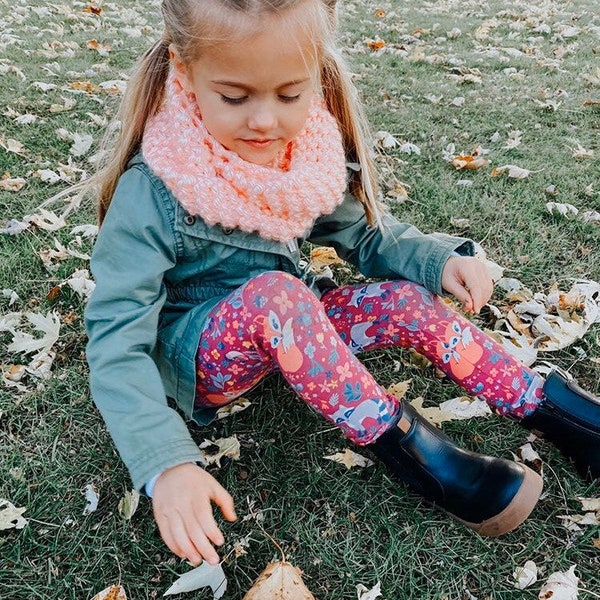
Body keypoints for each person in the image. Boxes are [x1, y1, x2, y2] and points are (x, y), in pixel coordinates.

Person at [85, 0, 600, 568]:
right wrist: (166, 463)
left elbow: (367, 236)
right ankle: (420, 458)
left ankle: (555, 412)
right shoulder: (155, 188)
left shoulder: (301, 159)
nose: (265, 121)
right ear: (183, 70)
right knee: (280, 297)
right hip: (200, 358)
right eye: (234, 97)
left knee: (402, 301)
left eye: (290, 95)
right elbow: (116, 340)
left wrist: (434, 259)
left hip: (293, 328)